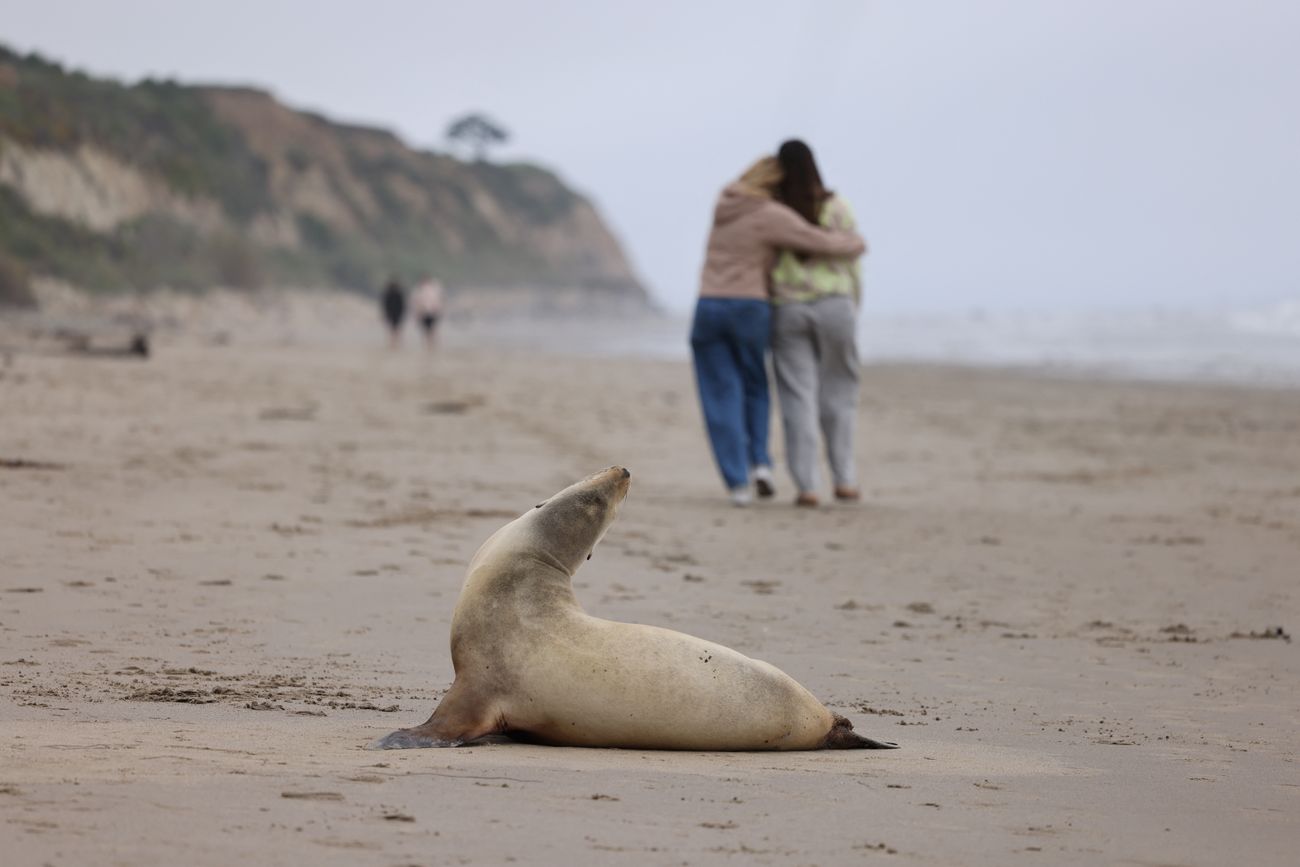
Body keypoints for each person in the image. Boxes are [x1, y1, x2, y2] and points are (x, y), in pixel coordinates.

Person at [691, 156, 866, 506]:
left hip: (709, 305)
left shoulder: (723, 205)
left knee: (719, 394)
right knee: (755, 385)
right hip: (750, 306)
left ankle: (737, 482)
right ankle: (761, 466)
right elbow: (820, 242)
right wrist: (856, 244)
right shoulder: (771, 213)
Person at [769, 139, 867, 507]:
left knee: (798, 397)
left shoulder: (775, 210)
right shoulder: (837, 206)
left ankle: (807, 486)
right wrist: (853, 302)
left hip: (789, 307)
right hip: (835, 305)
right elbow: (853, 263)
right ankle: (845, 479)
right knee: (840, 393)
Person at [412, 275, 445, 348]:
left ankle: (432, 343)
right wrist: (417, 311)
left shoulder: (435, 288)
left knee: (433, 328)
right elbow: (416, 301)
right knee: (426, 328)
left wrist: (439, 309)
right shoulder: (419, 289)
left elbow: (439, 300)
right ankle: (428, 343)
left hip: (433, 311)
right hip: (423, 312)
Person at [380, 277, 406, 348]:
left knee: (392, 328)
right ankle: (395, 342)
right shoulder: (398, 293)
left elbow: (385, 305)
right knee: (396, 328)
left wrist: (386, 313)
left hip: (391, 313)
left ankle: (393, 342)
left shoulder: (388, 294)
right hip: (396, 313)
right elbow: (402, 305)